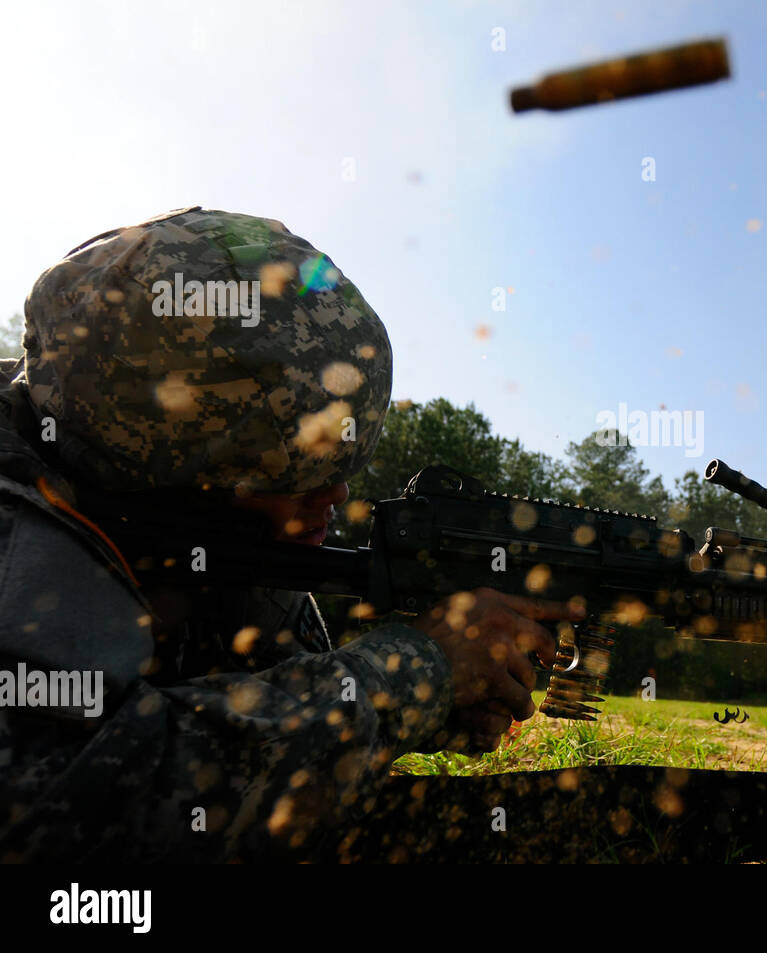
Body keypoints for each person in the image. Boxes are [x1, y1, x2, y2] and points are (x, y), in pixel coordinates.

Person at [0, 207, 580, 862]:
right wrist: (416, 674)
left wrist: (429, 707)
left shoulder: (211, 534)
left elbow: (256, 720)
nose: (335, 496)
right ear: (160, 460)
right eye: (292, 473)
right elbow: (75, 811)